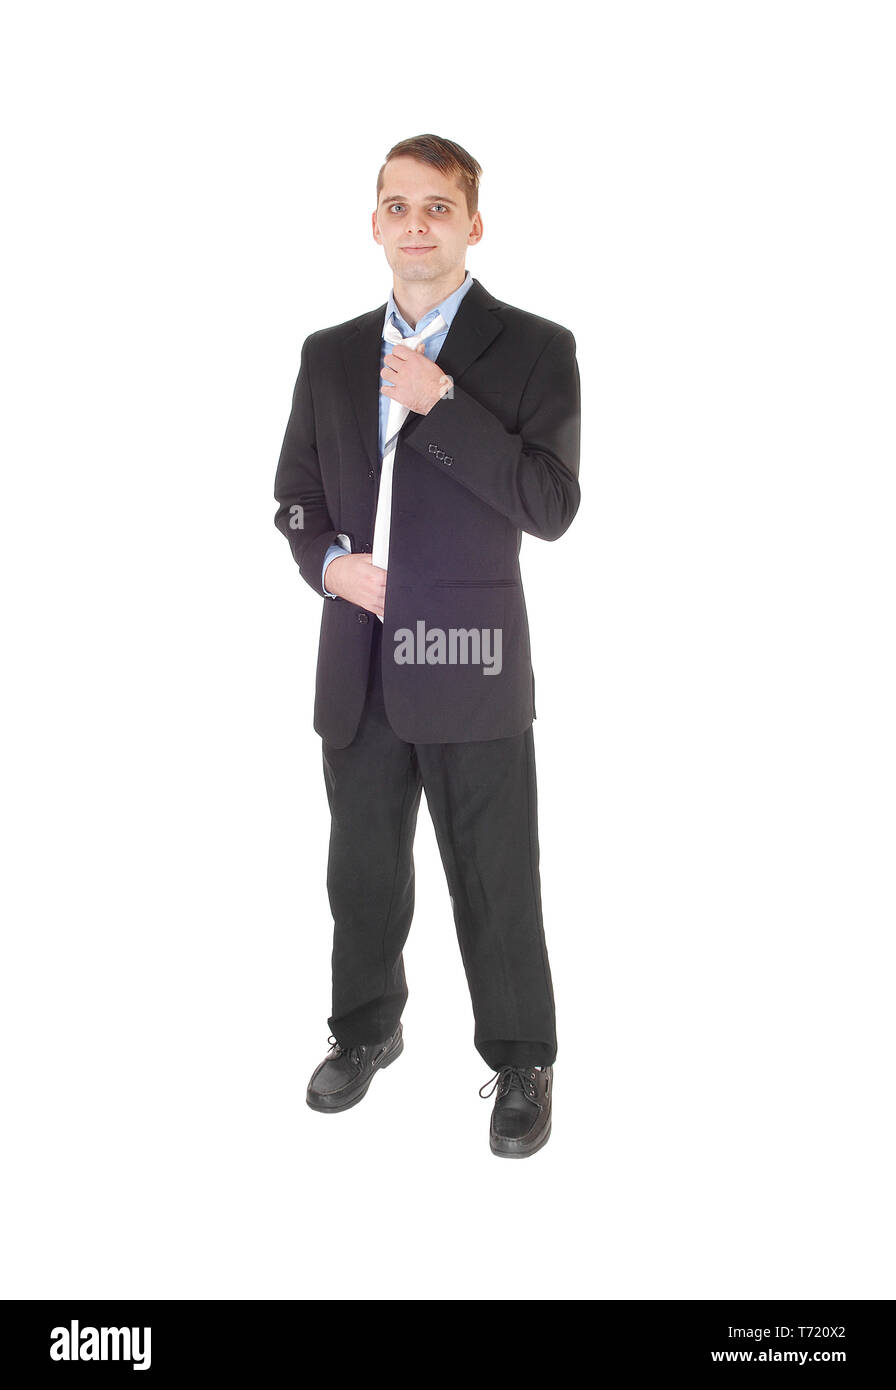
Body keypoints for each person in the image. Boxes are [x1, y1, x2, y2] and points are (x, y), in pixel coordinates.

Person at [274, 133, 581, 1157]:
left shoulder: (535, 348)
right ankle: (365, 1030)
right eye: (396, 207)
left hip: (472, 660)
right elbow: (295, 497)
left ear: (472, 225)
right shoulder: (326, 354)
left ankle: (522, 1059)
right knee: (360, 870)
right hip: (356, 660)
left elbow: (548, 504)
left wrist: (442, 403)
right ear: (373, 224)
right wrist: (328, 566)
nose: (416, 225)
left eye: (437, 207)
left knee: (493, 875)